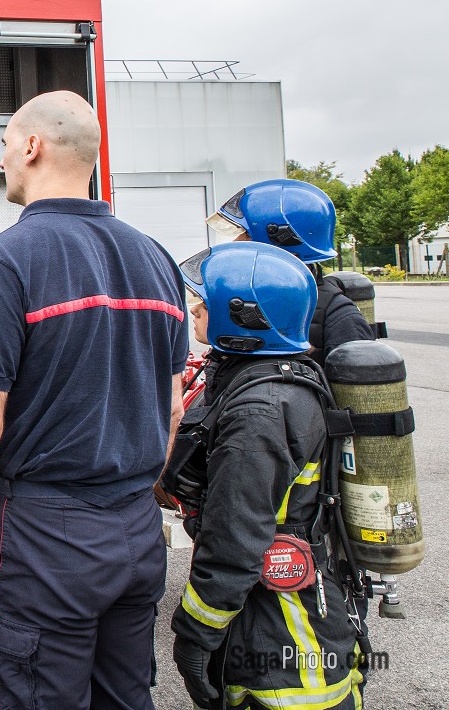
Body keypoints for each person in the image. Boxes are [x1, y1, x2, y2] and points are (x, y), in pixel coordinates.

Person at [0, 91, 188, 710]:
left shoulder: (6, 261)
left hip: (48, 542)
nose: (6, 158)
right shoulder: (156, 260)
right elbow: (172, 408)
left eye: (7, 145)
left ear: (33, 148)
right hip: (136, 534)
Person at [166, 242, 365, 709]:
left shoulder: (260, 411)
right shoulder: (266, 378)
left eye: (206, 299)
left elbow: (234, 536)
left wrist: (195, 633)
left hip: (290, 658)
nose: (194, 306)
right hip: (277, 618)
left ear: (245, 319)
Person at [206, 178, 374, 364]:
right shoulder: (247, 300)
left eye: (245, 233)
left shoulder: (339, 316)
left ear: (281, 237)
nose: (235, 242)